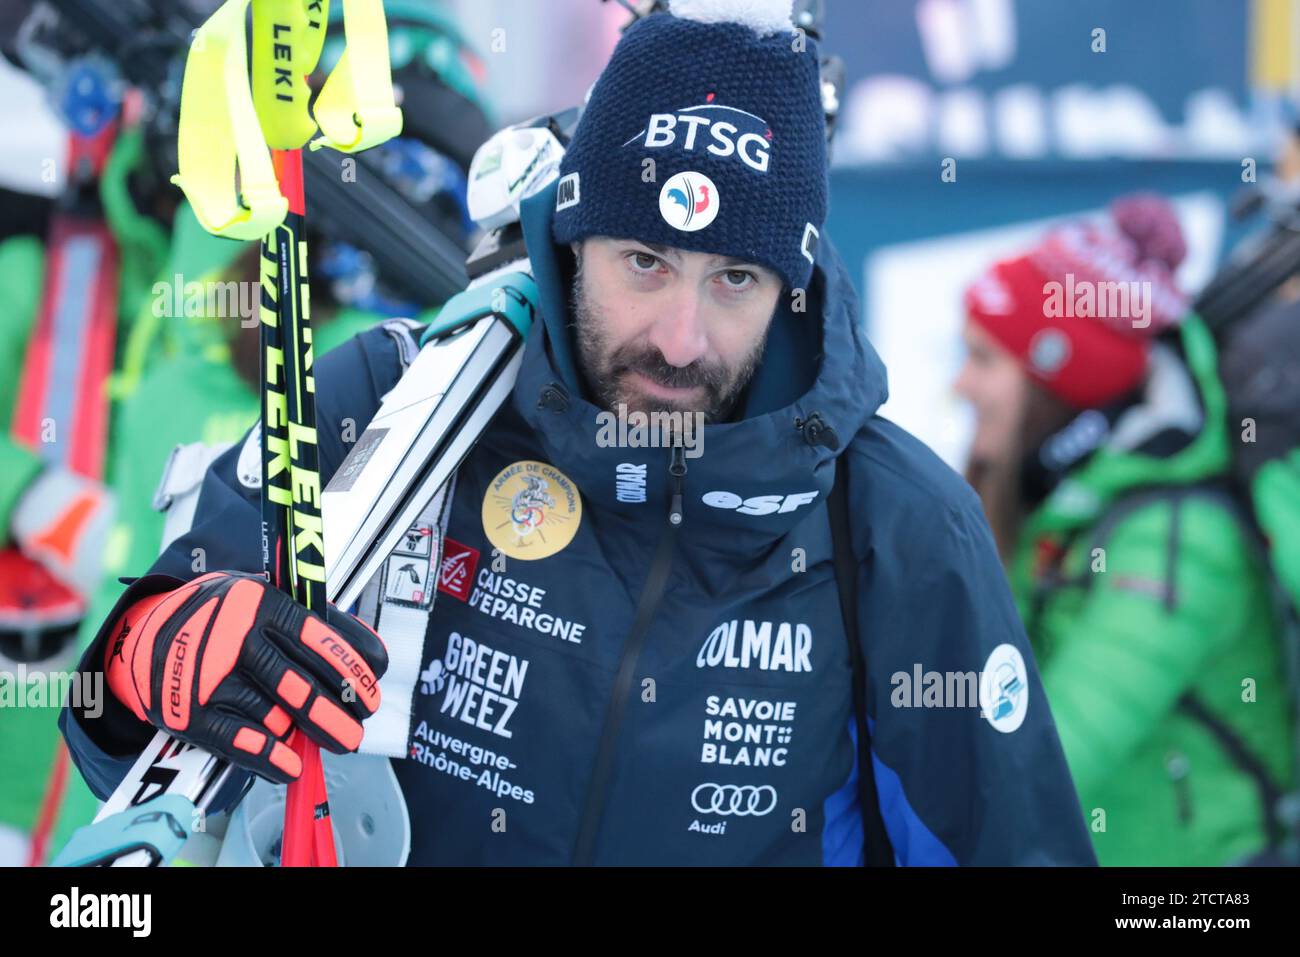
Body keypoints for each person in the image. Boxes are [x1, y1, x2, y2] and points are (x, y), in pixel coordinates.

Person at [61, 0, 1095, 865]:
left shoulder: (891, 521)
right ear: (571, 235)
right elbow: (125, 722)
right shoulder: (395, 397)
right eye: (643, 260)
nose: (680, 340)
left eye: (733, 279)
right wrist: (155, 650)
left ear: (793, 287)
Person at [954, 194, 1295, 865]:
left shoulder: (1181, 538)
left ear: (1061, 386)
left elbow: (1048, 761)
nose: (961, 384)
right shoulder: (1064, 499)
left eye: (985, 360)